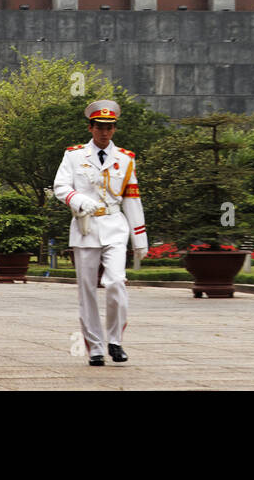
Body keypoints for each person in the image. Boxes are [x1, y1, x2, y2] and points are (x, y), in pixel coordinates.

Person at [53, 100, 148, 366]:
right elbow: (60, 186)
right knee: (87, 291)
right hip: (85, 226)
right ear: (90, 128)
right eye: (100, 127)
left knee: (116, 282)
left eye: (109, 127)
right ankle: (95, 347)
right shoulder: (74, 155)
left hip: (115, 225)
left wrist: (140, 238)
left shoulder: (126, 158)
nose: (104, 132)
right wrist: (79, 201)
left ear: (115, 129)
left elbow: (132, 198)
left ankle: (115, 340)